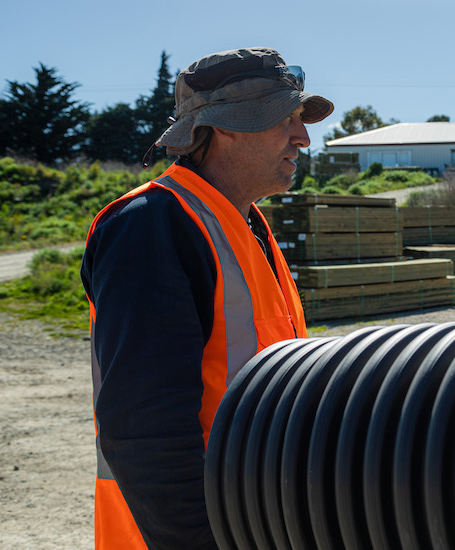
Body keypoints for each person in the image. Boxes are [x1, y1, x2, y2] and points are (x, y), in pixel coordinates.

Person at [80, 47, 334, 549]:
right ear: (223, 126)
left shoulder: (246, 225)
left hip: (259, 522)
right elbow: (144, 430)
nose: (303, 137)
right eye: (284, 118)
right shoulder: (150, 227)